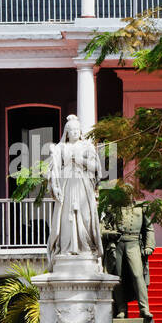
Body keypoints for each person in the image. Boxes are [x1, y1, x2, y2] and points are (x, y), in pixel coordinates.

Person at [47, 114, 103, 267]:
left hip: (83, 186)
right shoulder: (61, 148)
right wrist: (56, 186)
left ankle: (86, 247)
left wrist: (80, 160)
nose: (75, 133)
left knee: (85, 217)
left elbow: (96, 168)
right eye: (71, 130)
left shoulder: (87, 147)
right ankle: (66, 248)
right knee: (66, 218)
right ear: (66, 132)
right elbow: (54, 170)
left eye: (77, 130)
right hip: (66, 186)